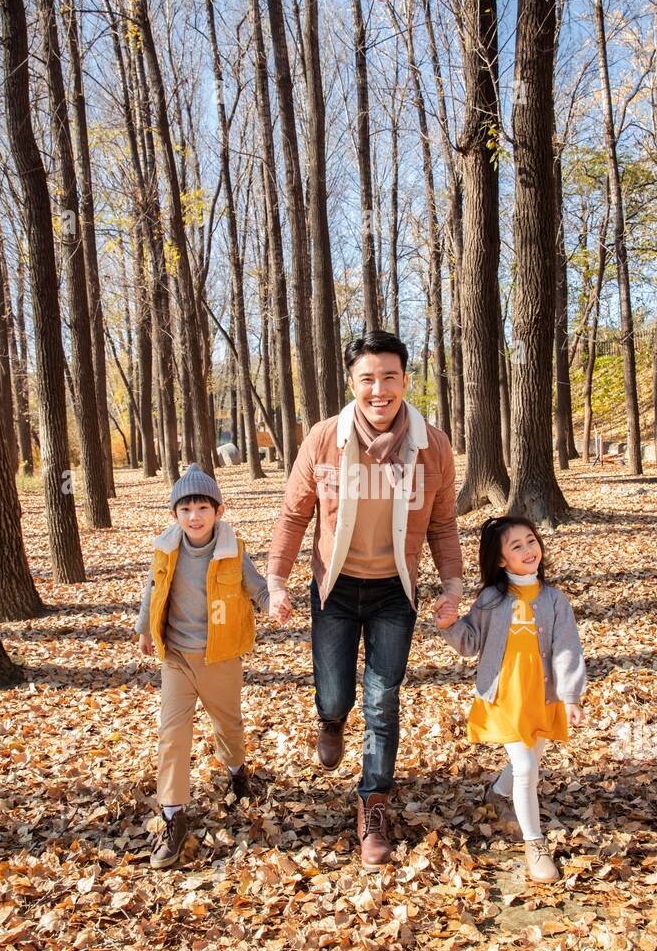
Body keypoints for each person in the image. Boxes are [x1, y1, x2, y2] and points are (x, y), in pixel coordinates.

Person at [267, 331, 463, 869]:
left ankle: (373, 802)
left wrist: (451, 585)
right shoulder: (324, 439)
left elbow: (443, 523)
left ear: (405, 378)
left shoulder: (433, 445)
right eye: (367, 379)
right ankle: (330, 719)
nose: (379, 390)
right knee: (334, 694)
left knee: (383, 700)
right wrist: (277, 582)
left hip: (395, 592)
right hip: (334, 587)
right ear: (352, 382)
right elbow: (293, 514)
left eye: (389, 377)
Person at [435, 516, 586, 883]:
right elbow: (470, 644)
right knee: (526, 767)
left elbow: (567, 649)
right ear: (501, 560)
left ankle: (497, 792)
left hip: (543, 695)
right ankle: (535, 845)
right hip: (505, 696)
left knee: (535, 755)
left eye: (530, 541)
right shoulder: (491, 599)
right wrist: (448, 625)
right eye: (515, 546)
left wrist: (571, 695)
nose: (527, 550)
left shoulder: (554, 600)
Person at [136, 463, 269, 869]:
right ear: (175, 514)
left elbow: (256, 584)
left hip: (220, 656)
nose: (194, 517)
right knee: (172, 735)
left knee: (227, 724)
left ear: (219, 511)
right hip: (176, 657)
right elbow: (154, 588)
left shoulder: (232, 550)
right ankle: (173, 816)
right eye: (186, 509)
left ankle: (237, 771)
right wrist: (144, 628)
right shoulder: (166, 548)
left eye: (202, 509)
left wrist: (272, 601)